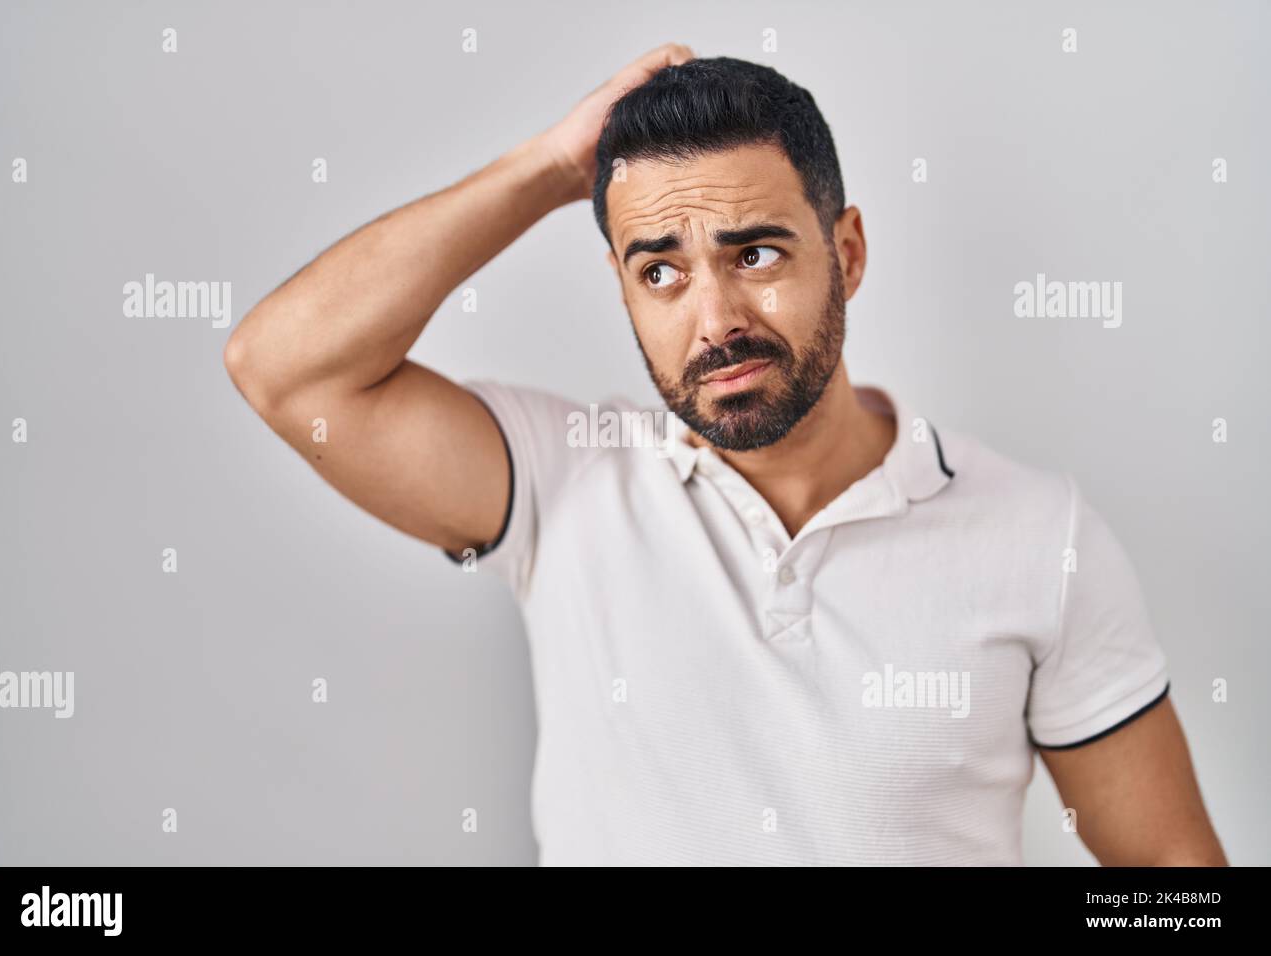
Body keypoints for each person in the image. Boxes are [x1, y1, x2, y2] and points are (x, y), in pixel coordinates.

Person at [224, 45, 1227, 866]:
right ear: (623, 291)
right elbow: (285, 370)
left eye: (754, 254)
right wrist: (547, 170)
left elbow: (1174, 880)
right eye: (658, 270)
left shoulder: (1036, 535)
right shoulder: (564, 479)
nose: (715, 321)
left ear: (846, 254)